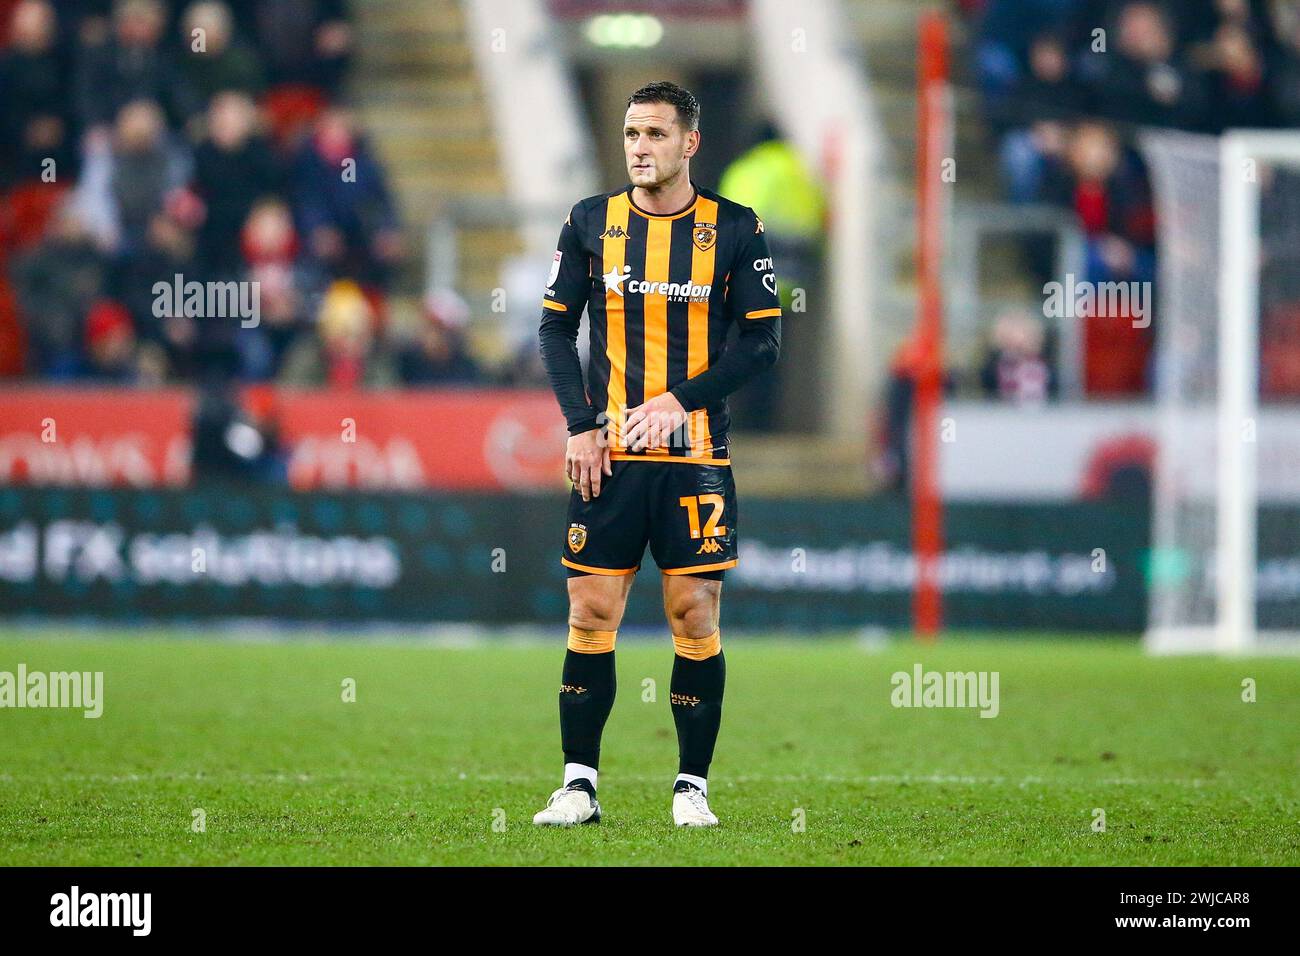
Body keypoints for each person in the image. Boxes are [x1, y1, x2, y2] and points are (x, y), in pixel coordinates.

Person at [534, 81, 782, 828]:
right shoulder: (588, 222)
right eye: (631, 133)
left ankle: (691, 788)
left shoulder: (737, 229)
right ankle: (579, 785)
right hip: (607, 456)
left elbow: (762, 343)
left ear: (689, 144)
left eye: (655, 134)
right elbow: (553, 331)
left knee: (693, 612)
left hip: (694, 454)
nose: (640, 147)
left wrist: (679, 402)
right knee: (591, 608)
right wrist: (580, 425)